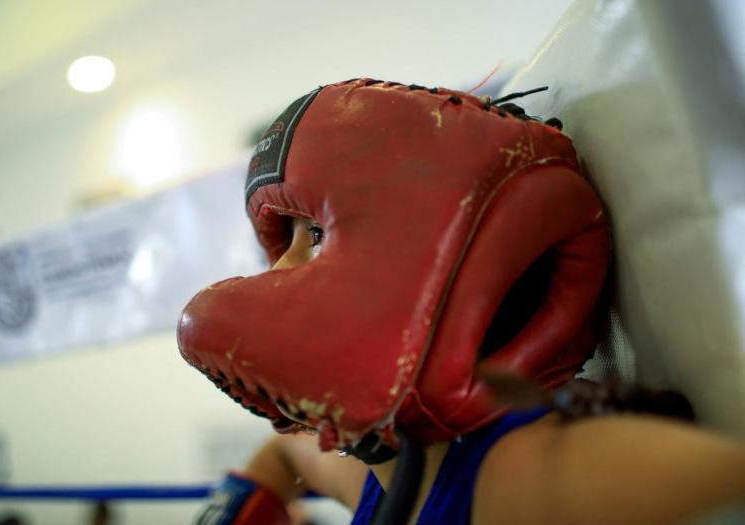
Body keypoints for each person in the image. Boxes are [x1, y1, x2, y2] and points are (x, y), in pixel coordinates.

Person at [179, 79, 745, 524]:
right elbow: (285, 456)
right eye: (286, 243)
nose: (278, 272)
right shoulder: (391, 467)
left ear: (444, 261)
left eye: (319, 235)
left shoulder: (527, 475)